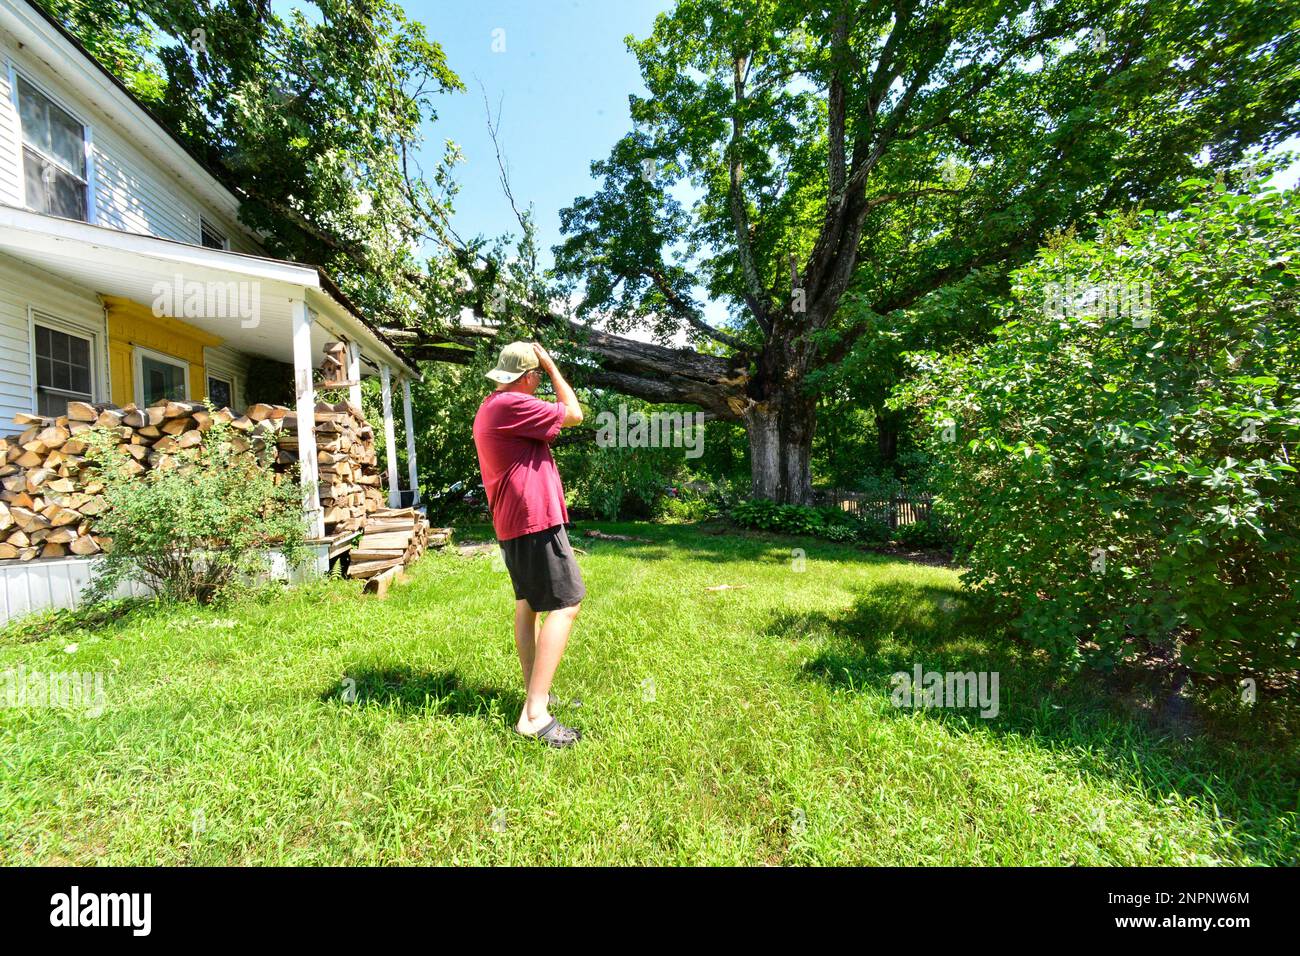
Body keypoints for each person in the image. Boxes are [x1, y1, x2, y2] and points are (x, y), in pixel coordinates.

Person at [472, 341, 586, 747]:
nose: (539, 382)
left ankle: (538, 694)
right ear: (528, 377)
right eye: (537, 376)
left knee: (529, 605)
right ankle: (535, 714)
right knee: (567, 604)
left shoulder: (493, 406)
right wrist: (554, 368)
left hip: (515, 522)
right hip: (533, 520)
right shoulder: (512, 404)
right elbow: (574, 413)